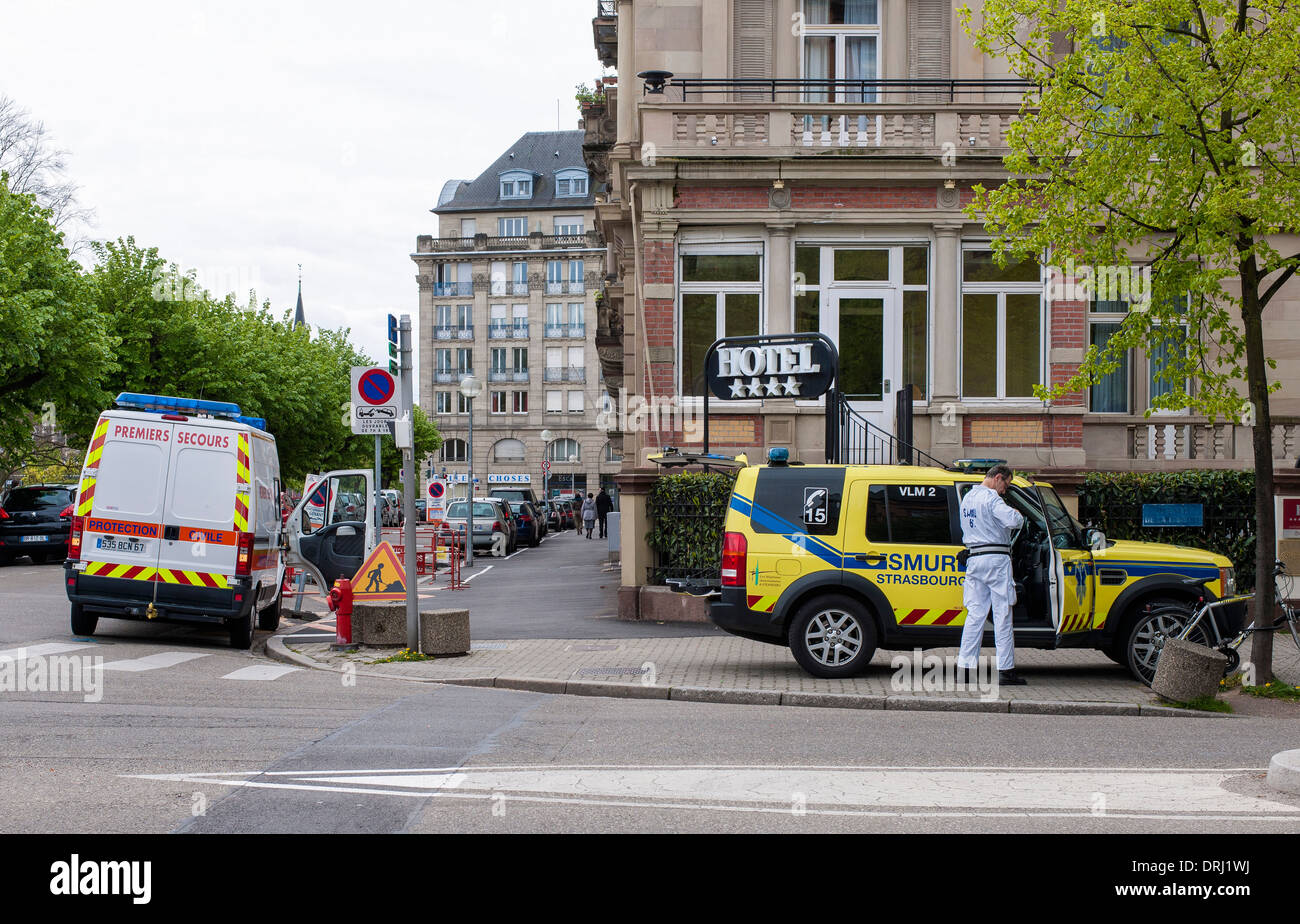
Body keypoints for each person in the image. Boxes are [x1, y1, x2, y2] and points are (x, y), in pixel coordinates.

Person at [957, 464, 1027, 686]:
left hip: (974, 560)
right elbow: (1014, 522)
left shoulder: (967, 498)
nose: (1005, 490)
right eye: (1006, 485)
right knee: (1002, 615)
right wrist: (1017, 513)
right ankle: (1006, 670)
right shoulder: (992, 499)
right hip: (996, 560)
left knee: (975, 615)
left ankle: (965, 668)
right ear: (998, 478)